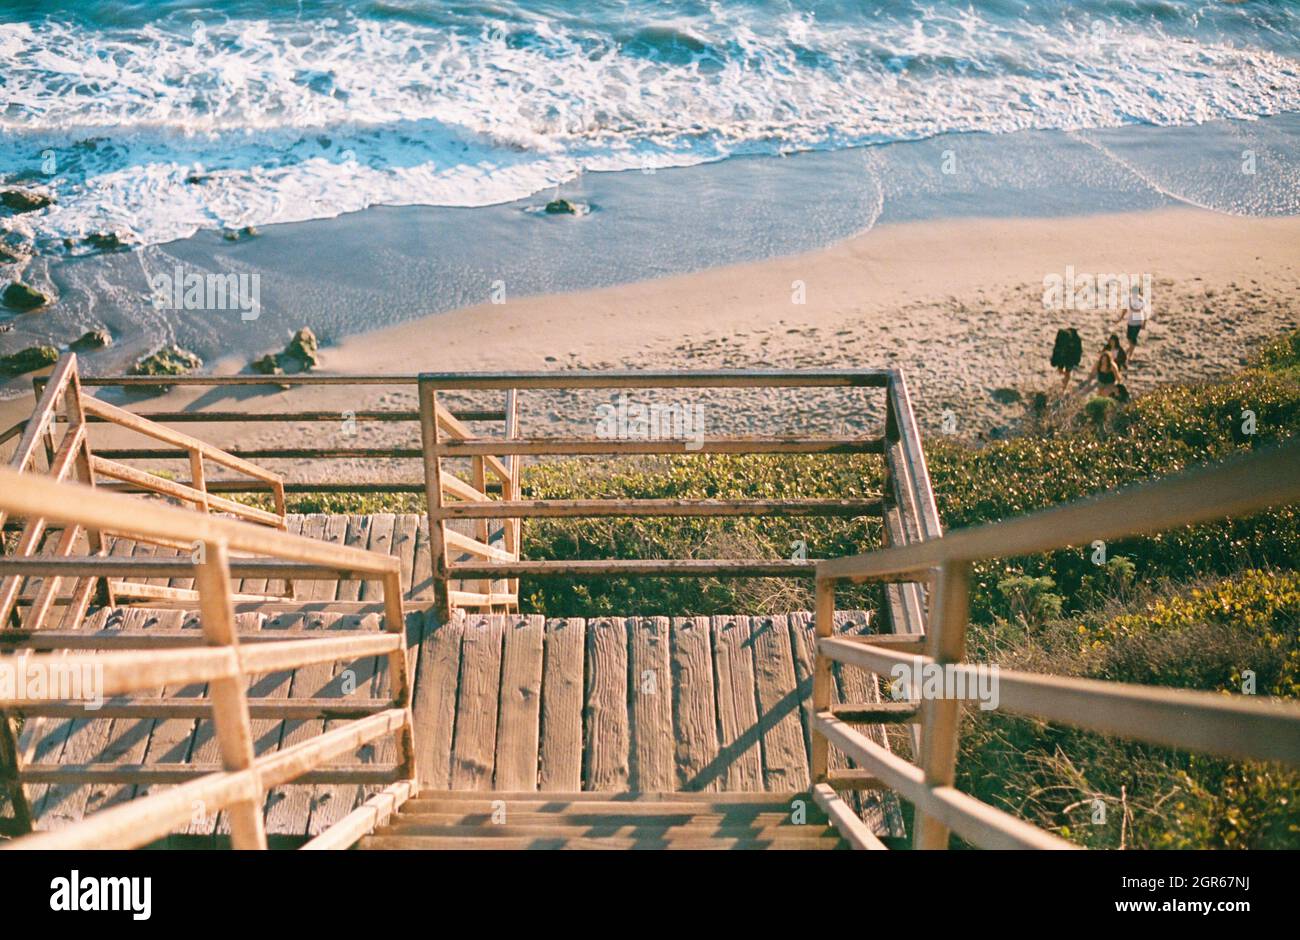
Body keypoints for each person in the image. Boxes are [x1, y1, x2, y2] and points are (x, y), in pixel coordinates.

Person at [1115, 285, 1149, 358]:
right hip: (1130, 321)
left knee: (1133, 338)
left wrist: (1144, 323)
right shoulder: (1129, 299)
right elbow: (1125, 310)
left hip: (1138, 321)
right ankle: (1130, 349)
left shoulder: (1142, 300)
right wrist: (1120, 318)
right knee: (1129, 337)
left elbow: (1146, 312)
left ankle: (1130, 354)